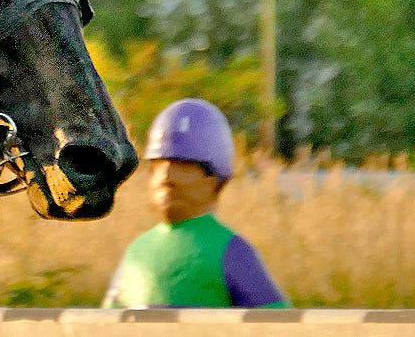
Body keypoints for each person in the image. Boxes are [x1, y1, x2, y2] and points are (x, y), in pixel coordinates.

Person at [104, 98, 289, 309]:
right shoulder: (137, 251)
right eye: (158, 164)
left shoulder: (231, 252)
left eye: (182, 164)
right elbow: (104, 322)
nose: (166, 176)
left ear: (213, 178)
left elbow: (277, 321)